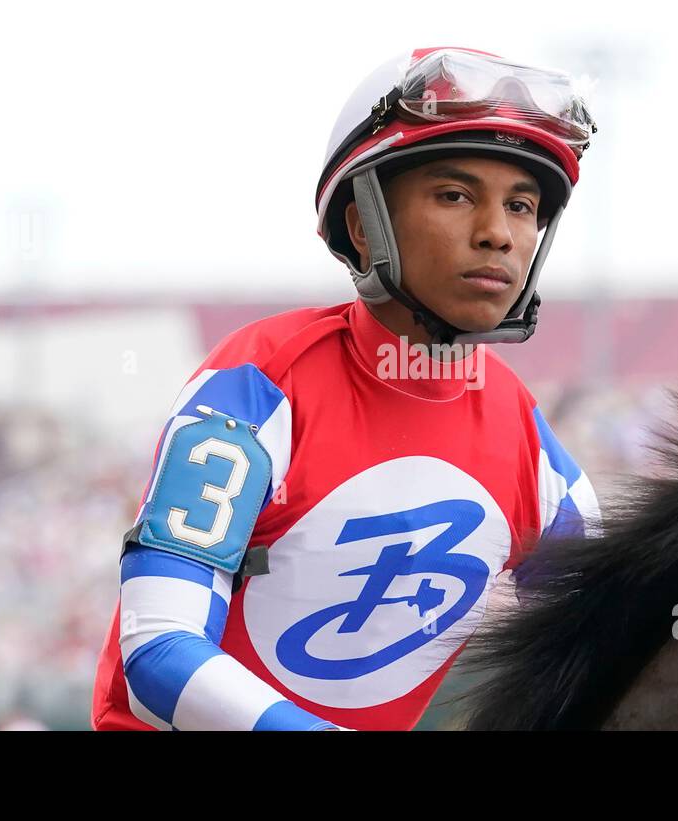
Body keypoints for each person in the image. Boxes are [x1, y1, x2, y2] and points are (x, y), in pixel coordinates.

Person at [90, 45, 601, 731]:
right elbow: (156, 654)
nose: (498, 235)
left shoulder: (543, 465)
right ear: (364, 222)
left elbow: (605, 669)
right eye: (455, 195)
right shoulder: (254, 386)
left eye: (522, 205)